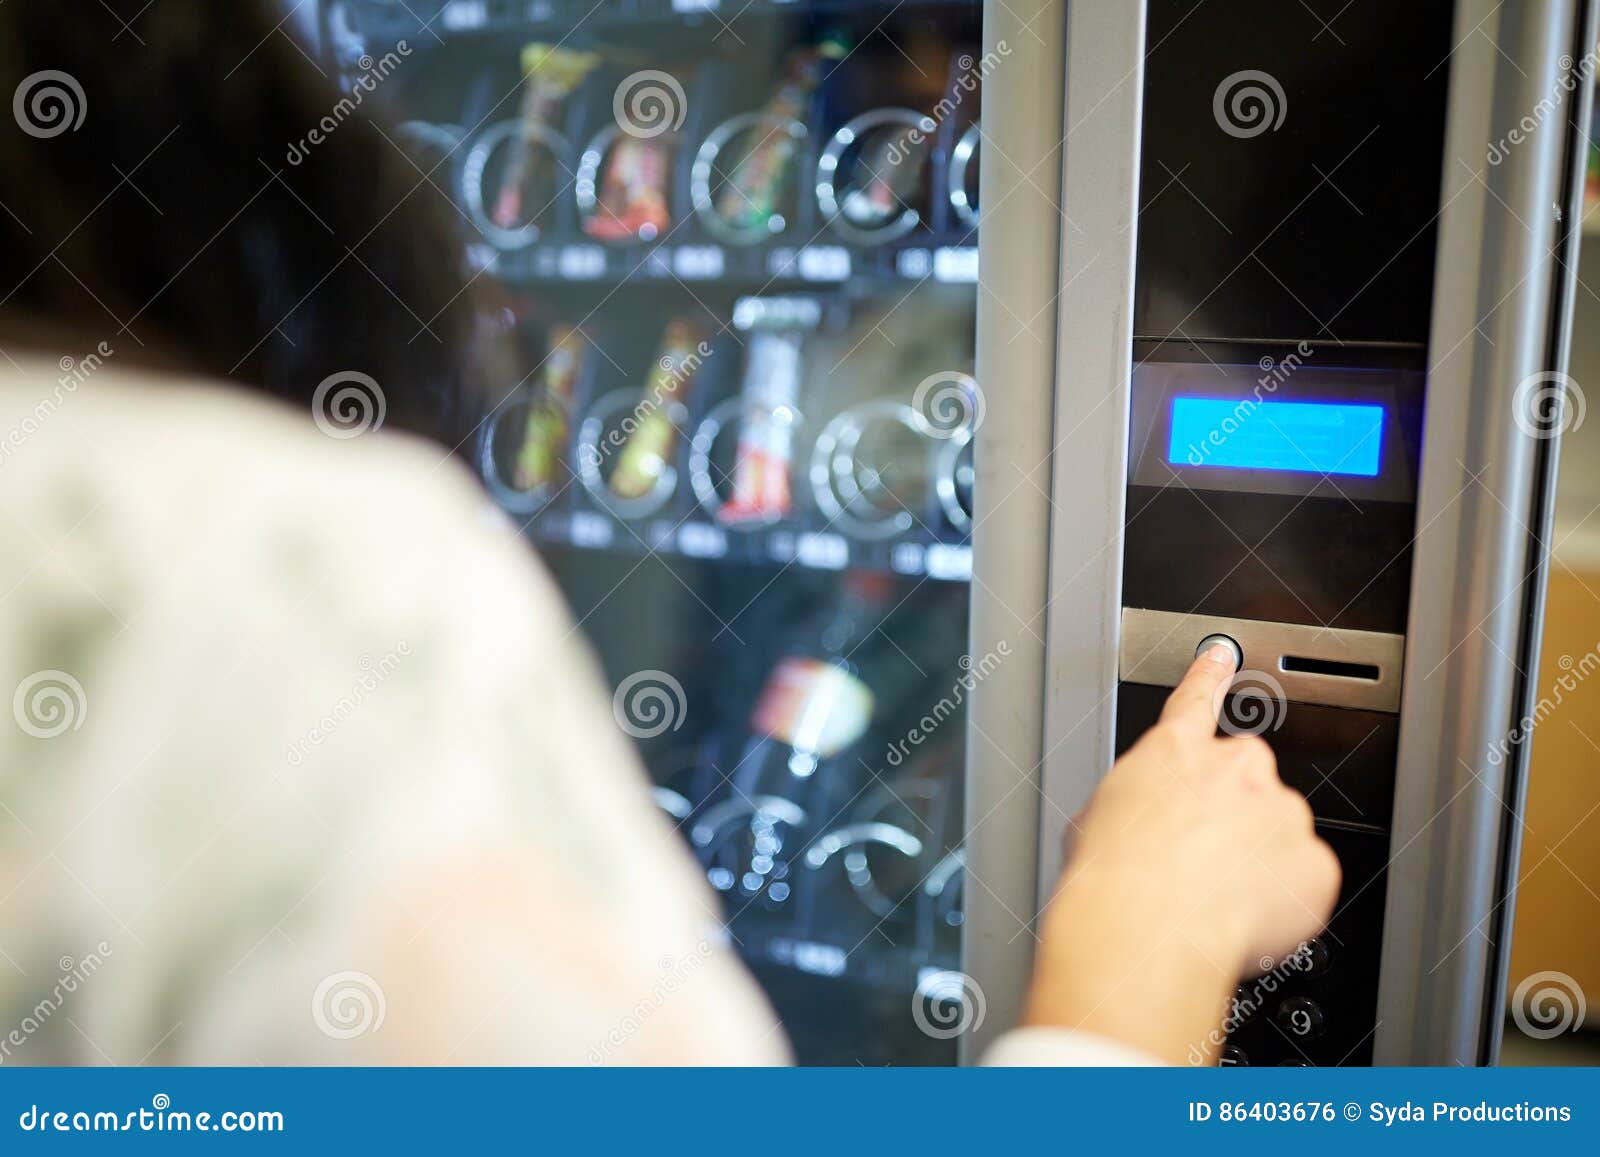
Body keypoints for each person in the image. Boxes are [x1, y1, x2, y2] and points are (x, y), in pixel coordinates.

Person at [0, 0, 1338, 1065]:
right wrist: (1155, 936)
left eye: (930, 49)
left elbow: (1272, 621)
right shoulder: (298, 552)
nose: (897, 87)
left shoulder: (1113, 325)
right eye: (864, 57)